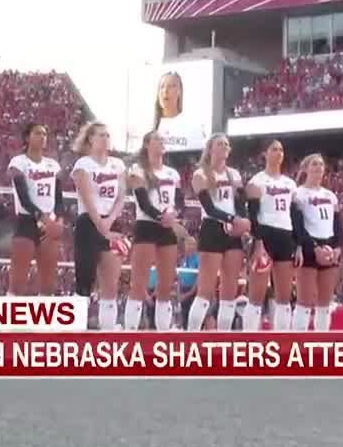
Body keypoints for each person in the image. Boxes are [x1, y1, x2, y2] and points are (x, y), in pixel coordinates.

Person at [187, 133, 249, 332]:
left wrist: (242, 220)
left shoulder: (234, 174)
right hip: (212, 227)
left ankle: (223, 338)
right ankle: (190, 336)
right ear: (210, 148)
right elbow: (210, 207)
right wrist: (233, 220)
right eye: (220, 144)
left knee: (229, 291)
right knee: (205, 290)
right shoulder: (200, 174)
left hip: (233, 231)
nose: (224, 147)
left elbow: (240, 203)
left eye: (227, 144)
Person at [127, 130, 185, 331]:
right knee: (139, 284)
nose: (162, 142)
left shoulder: (173, 173)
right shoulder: (138, 170)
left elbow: (180, 201)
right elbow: (143, 202)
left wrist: (174, 213)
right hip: (147, 225)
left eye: (163, 140)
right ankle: (130, 332)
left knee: (166, 285)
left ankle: (163, 332)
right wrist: (162, 217)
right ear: (147, 145)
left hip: (167, 227)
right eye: (157, 139)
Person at [70, 122, 126, 329]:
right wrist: (101, 225)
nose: (105, 138)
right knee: (85, 279)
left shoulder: (118, 165)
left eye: (107, 135)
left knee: (110, 285)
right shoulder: (83, 164)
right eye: (101, 135)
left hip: (112, 220)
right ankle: (75, 330)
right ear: (90, 139)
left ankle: (107, 333)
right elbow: (86, 197)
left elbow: (121, 197)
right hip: (89, 222)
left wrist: (109, 221)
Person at [244, 139, 298, 331]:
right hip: (265, 235)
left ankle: (282, 339)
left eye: (281, 149)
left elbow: (294, 215)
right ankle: (250, 339)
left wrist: (297, 243)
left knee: (284, 296)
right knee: (256, 296)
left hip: (286, 236)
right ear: (265, 154)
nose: (278, 153)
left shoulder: (290, 184)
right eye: (274, 149)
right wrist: (258, 242)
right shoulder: (256, 181)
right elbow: (253, 215)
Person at [7, 122, 66, 296]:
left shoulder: (53, 165)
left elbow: (59, 198)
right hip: (27, 221)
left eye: (44, 134)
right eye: (38, 133)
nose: (42, 137)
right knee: (18, 283)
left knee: (48, 284)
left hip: (50, 223)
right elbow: (24, 198)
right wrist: (43, 218)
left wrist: (59, 220)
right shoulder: (18, 163)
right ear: (27, 137)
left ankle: (43, 312)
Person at [291, 154, 341, 332]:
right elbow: (297, 225)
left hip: (329, 245)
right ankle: (298, 342)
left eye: (321, 164)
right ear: (305, 168)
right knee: (304, 302)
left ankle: (321, 341)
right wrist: (313, 248)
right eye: (314, 164)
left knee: (324, 303)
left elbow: (338, 225)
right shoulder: (298, 194)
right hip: (308, 246)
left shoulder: (331, 195)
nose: (318, 167)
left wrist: (337, 248)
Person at [152, 71, 206, 152]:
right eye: (162, 86)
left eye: (171, 86)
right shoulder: (149, 127)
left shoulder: (193, 127)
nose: (165, 91)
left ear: (180, 91)